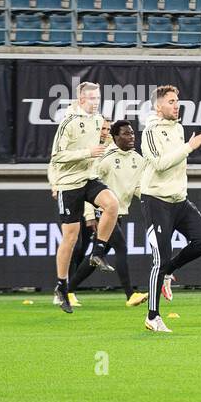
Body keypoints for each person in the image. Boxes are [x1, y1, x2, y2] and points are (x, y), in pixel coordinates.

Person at [139, 84, 201, 333]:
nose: (176, 105)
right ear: (158, 106)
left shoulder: (179, 128)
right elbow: (159, 164)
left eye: (176, 101)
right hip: (156, 200)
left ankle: (169, 271)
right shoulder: (150, 131)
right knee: (159, 257)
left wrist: (186, 147)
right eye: (170, 101)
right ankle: (152, 316)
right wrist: (189, 147)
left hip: (179, 200)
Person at [48, 81, 121, 311]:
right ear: (81, 100)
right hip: (69, 183)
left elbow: (101, 145)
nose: (95, 102)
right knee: (70, 238)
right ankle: (61, 286)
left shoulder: (99, 120)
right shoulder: (68, 122)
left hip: (88, 179)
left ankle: (98, 252)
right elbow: (57, 156)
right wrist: (87, 153)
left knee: (112, 204)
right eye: (91, 98)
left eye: (98, 98)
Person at [65, 120, 148, 305]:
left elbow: (137, 187)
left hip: (118, 214)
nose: (131, 137)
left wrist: (151, 200)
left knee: (95, 257)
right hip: (101, 212)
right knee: (121, 247)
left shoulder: (138, 159)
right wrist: (89, 215)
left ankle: (68, 291)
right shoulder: (105, 158)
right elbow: (89, 185)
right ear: (115, 137)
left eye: (132, 133)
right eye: (126, 134)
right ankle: (130, 295)